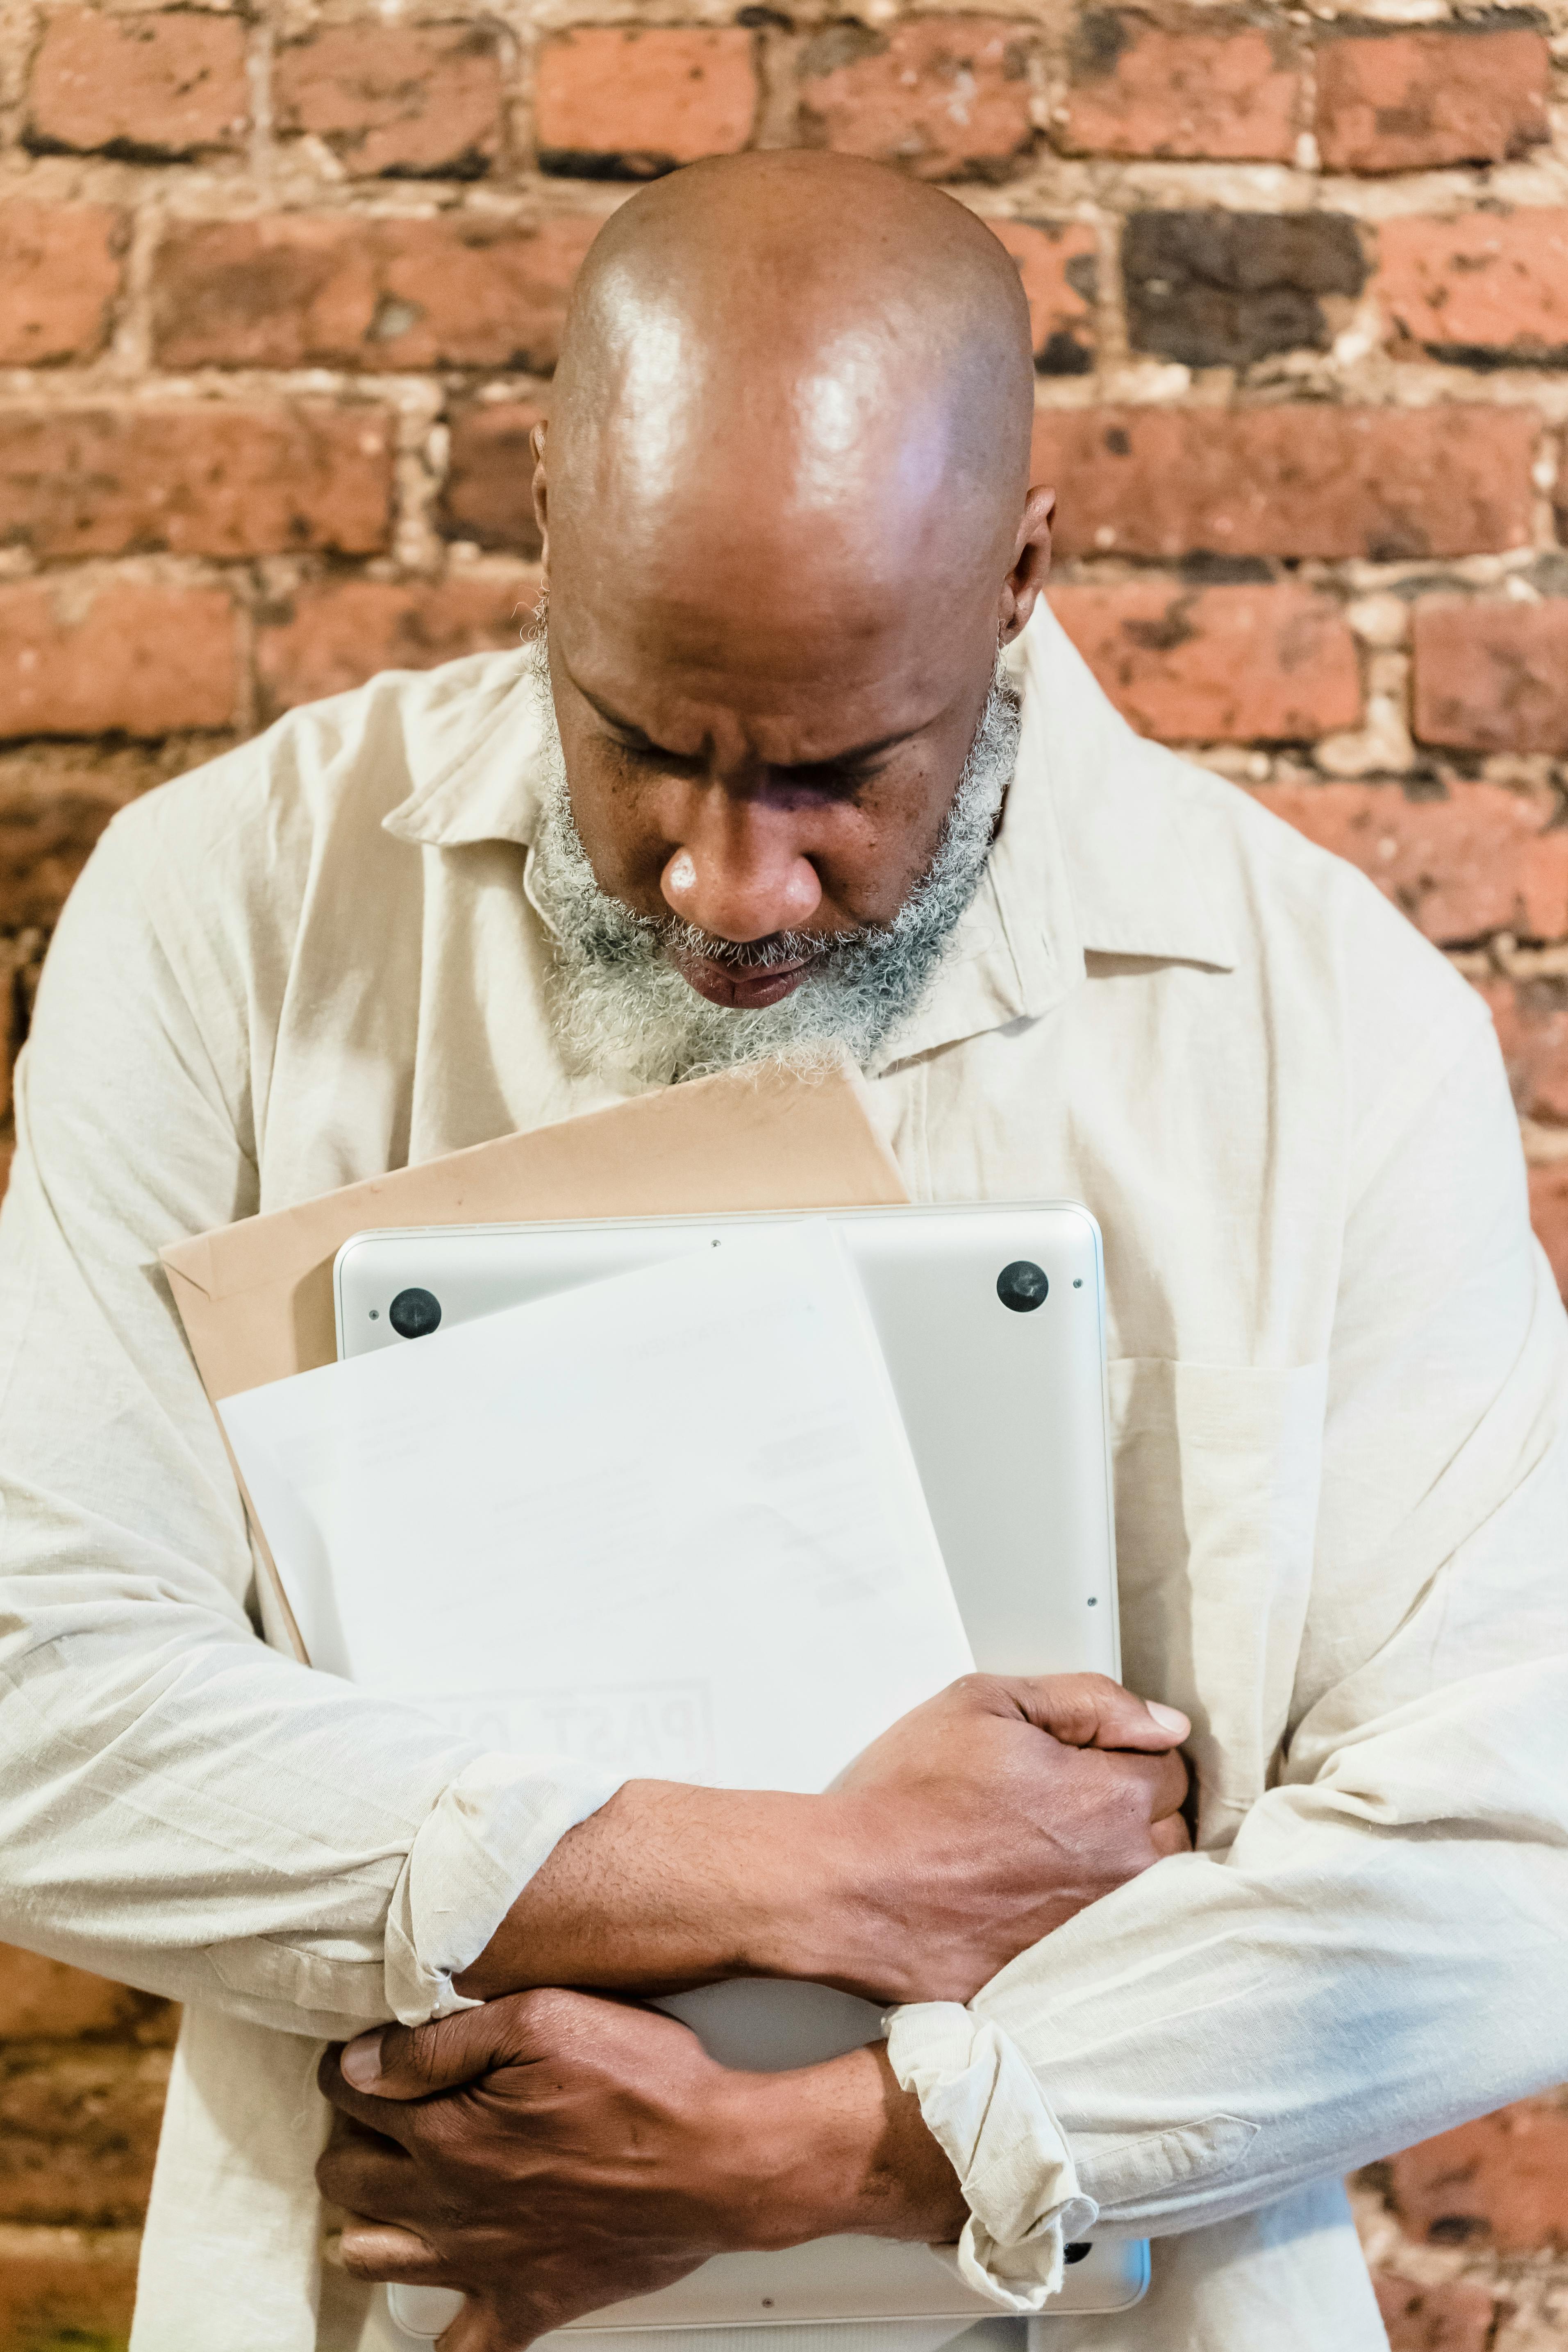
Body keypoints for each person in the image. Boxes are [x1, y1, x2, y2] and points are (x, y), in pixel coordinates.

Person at [0, 147, 1564, 2352]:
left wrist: (828, 2152)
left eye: (839, 772)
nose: (731, 886)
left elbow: (1519, 1871)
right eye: (644, 742)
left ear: (1020, 578)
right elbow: (34, 1707)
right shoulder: (229, 912)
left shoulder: (1328, 1026)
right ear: (543, 525)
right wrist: (824, 1871)